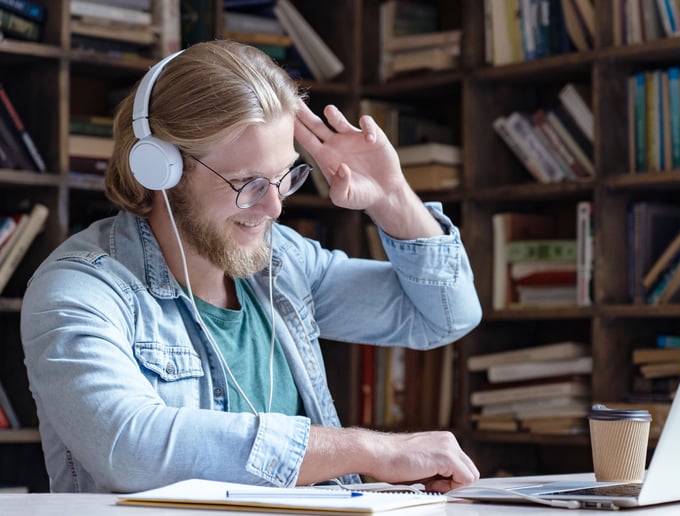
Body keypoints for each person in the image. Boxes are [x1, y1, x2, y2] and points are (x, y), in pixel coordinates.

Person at [20, 40, 482, 494]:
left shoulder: (283, 261)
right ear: (160, 168)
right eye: (248, 183)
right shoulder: (79, 290)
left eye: (286, 177)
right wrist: (368, 449)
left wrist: (392, 197)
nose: (275, 207)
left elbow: (443, 316)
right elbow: (132, 448)